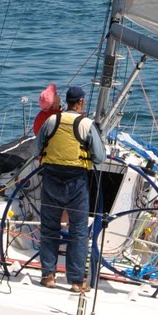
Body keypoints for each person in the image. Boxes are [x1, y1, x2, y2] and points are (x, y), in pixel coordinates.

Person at [35, 83, 105, 292]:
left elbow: (38, 147)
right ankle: (76, 281)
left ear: (66, 102)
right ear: (81, 102)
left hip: (51, 179)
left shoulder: (51, 121)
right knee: (79, 231)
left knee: (49, 227)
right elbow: (100, 158)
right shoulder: (86, 124)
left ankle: (48, 276)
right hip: (76, 182)